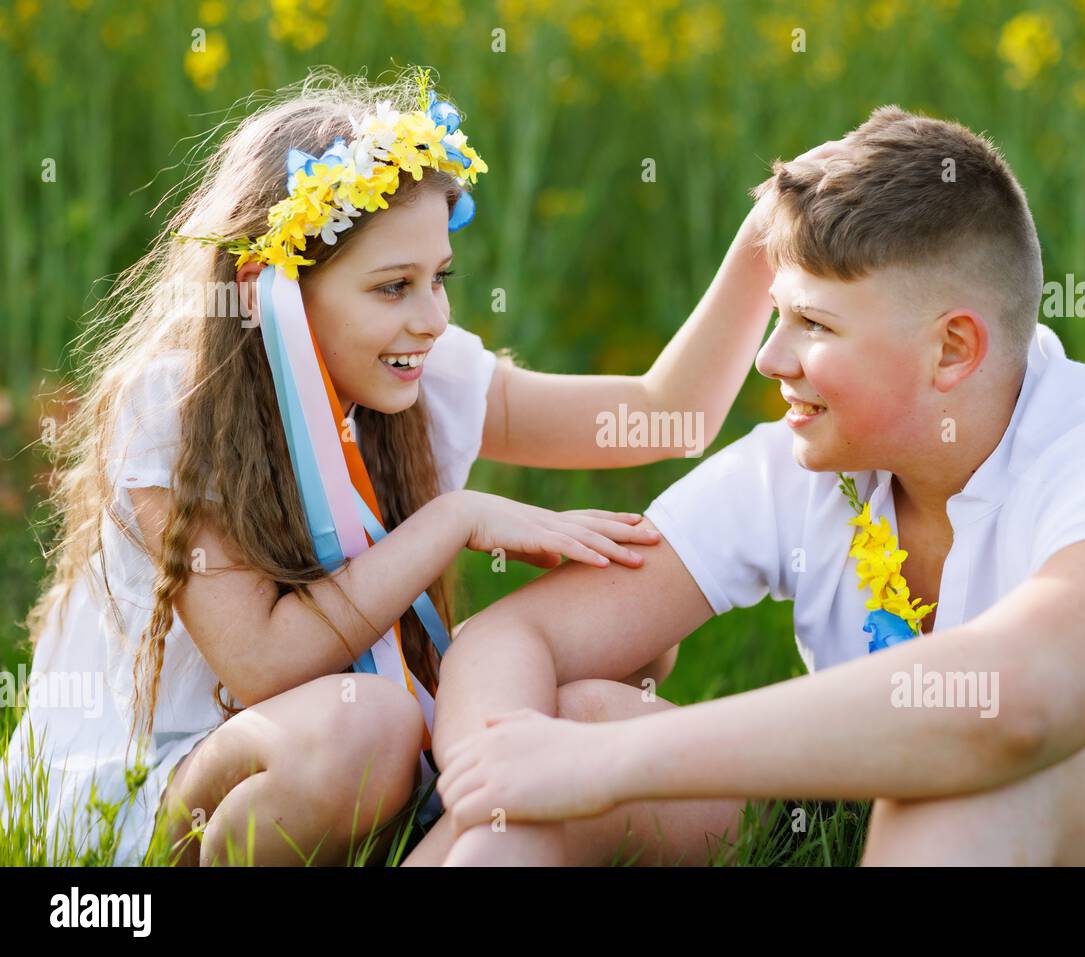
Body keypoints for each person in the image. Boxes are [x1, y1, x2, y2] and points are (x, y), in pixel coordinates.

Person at [424, 106, 1085, 867]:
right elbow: (522, 633)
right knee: (576, 718)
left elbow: (1014, 707)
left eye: (814, 324)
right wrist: (501, 769)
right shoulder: (814, 458)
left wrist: (612, 767)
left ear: (952, 349)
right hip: (879, 816)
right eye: (780, 315)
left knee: (974, 773)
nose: (771, 358)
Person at [1, 66, 779, 866]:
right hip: (163, 783)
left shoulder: (423, 372)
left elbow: (661, 415)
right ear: (269, 291)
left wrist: (767, 237)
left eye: (440, 278)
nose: (433, 317)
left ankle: (458, 834)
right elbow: (263, 666)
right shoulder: (178, 405)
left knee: (621, 624)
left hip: (354, 750)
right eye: (393, 287)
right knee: (361, 723)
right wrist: (455, 520)